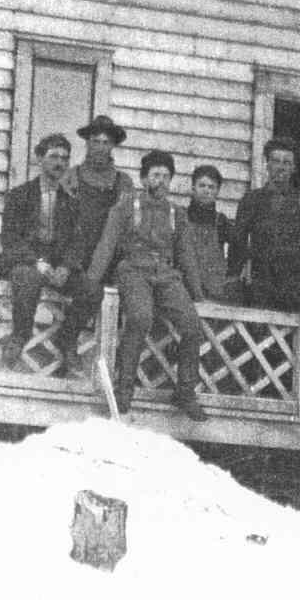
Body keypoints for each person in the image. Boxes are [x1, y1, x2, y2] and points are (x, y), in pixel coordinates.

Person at [77, 149, 209, 420]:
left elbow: (186, 254)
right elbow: (107, 244)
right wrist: (91, 279)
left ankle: (185, 391)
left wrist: (196, 293)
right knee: (139, 317)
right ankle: (125, 388)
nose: (160, 181)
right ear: (144, 178)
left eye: (166, 176)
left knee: (193, 326)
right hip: (133, 270)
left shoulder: (177, 214)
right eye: (155, 175)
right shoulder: (126, 206)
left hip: (166, 274)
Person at [0, 133, 97, 373]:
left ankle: (68, 339)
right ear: (40, 158)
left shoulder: (71, 203)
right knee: (26, 277)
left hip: (55, 266)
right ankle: (20, 335)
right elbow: (10, 239)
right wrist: (36, 262)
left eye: (65, 158)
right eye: (53, 157)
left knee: (91, 289)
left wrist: (66, 267)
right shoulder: (19, 195)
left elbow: (77, 243)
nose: (59, 163)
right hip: (25, 261)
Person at [229, 136, 300, 311]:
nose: (281, 167)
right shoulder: (252, 199)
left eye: (287, 162)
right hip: (261, 286)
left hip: (295, 287)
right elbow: (237, 241)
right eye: (276, 161)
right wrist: (238, 273)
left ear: (293, 167)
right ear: (267, 165)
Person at [65, 114, 134, 260]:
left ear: (112, 146)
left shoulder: (123, 182)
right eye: (96, 142)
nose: (100, 148)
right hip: (74, 257)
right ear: (87, 143)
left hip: (109, 257)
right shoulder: (70, 177)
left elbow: (127, 227)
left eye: (106, 142)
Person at [186, 163, 240, 304]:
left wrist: (230, 276)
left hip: (214, 291)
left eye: (211, 187)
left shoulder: (220, 221)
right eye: (202, 186)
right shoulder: (182, 217)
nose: (206, 191)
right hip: (185, 288)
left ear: (217, 192)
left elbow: (239, 246)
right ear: (193, 188)